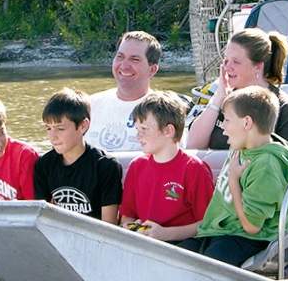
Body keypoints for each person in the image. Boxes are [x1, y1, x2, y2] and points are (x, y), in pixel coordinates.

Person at [183, 86, 288, 266]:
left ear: (247, 123)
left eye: (227, 120)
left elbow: (252, 227)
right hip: (222, 231)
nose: (223, 128)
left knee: (205, 267)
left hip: (247, 237)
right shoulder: (241, 149)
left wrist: (233, 181)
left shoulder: (266, 166)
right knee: (175, 257)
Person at [185, 28, 288, 153]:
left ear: (258, 67)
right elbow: (193, 147)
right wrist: (218, 98)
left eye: (236, 62)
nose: (227, 67)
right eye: (226, 59)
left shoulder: (286, 109)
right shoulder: (222, 100)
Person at [119, 91, 214, 244]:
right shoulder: (137, 166)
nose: (138, 136)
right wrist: (131, 227)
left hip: (182, 245)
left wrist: (165, 234)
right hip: (144, 243)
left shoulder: (195, 169)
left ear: (168, 131)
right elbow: (127, 216)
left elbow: (208, 224)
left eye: (144, 129)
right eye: (137, 129)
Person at [34, 88, 123, 222]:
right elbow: (42, 219)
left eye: (60, 128)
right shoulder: (44, 165)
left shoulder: (106, 166)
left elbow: (109, 226)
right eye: (48, 128)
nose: (52, 137)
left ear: (83, 126)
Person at [86, 31, 161, 152]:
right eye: (120, 57)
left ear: (152, 70)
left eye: (134, 59)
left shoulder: (163, 111)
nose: (124, 66)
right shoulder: (89, 105)